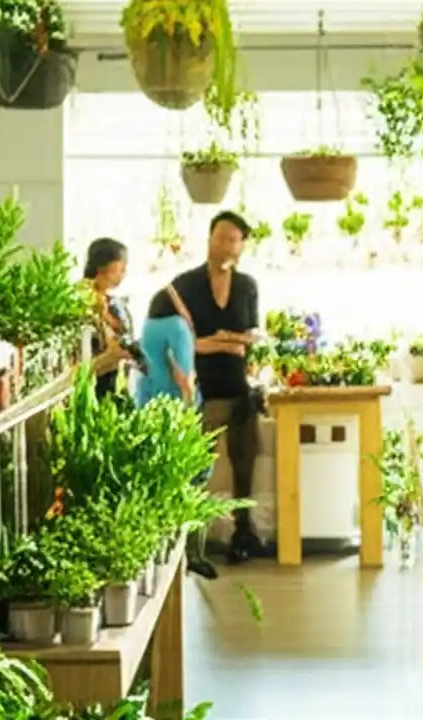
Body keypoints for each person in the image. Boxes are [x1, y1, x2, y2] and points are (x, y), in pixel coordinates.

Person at [170, 209, 266, 565]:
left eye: (234, 239)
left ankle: (243, 533)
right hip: (199, 391)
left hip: (239, 391)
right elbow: (179, 341)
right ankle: (189, 543)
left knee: (245, 465)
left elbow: (252, 336)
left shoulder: (247, 286)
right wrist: (224, 342)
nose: (226, 244)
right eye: (221, 237)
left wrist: (224, 339)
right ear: (210, 238)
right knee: (195, 469)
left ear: (241, 246)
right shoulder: (185, 284)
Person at [133, 286, 220, 580]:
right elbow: (185, 376)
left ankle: (162, 554)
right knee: (196, 478)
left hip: (148, 407)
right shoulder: (178, 327)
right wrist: (190, 412)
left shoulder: (148, 326)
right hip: (177, 412)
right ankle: (190, 553)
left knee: (159, 484)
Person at [83, 238, 133, 399]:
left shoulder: (114, 304)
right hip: (89, 391)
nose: (123, 273)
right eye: (121, 268)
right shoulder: (81, 301)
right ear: (102, 266)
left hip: (112, 386)